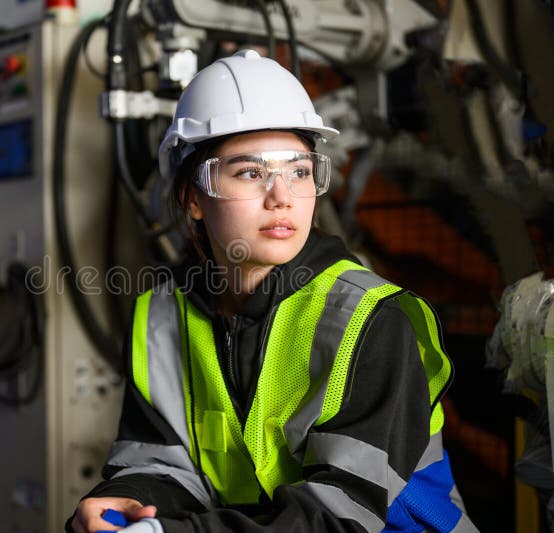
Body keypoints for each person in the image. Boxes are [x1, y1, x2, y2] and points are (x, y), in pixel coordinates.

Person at [67, 49, 477, 533]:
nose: (282, 196)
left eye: (299, 171)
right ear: (192, 197)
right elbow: (163, 465)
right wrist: (125, 504)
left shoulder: (371, 320)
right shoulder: (160, 318)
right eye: (250, 172)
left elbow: (339, 516)